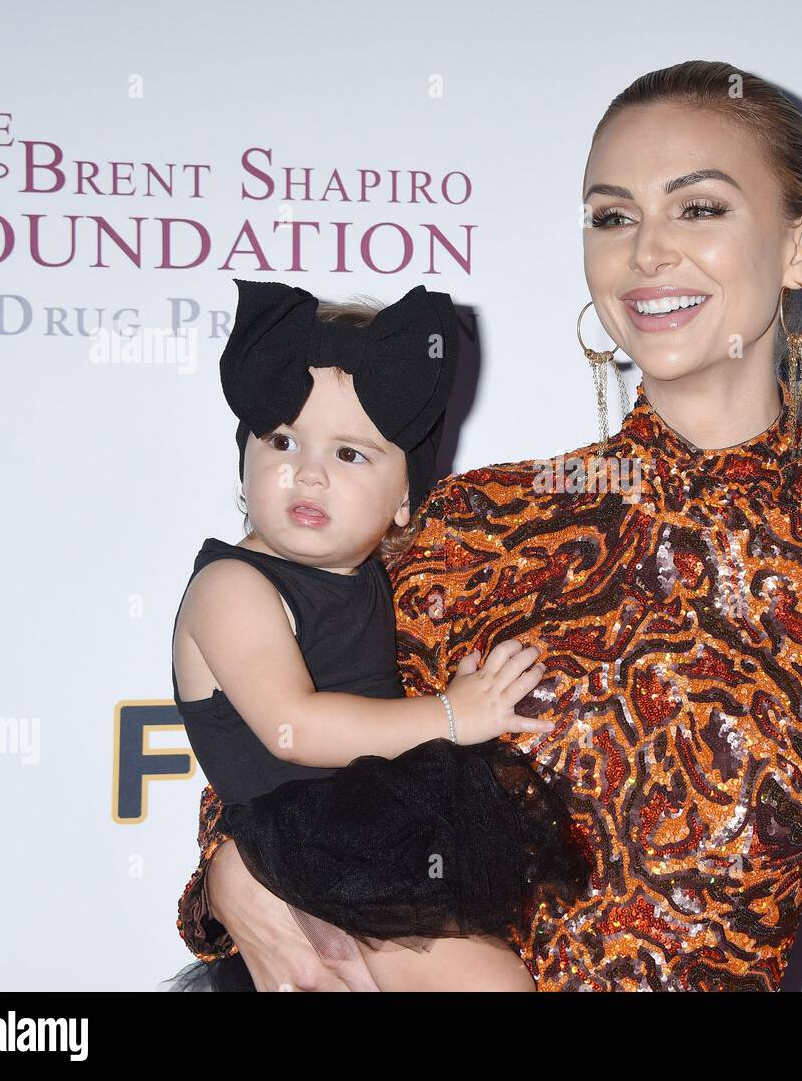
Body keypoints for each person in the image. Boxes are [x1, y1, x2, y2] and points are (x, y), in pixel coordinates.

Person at [177, 59, 802, 991]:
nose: (647, 252)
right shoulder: (475, 529)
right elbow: (277, 764)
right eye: (613, 216)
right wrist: (231, 872)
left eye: (699, 209)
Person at [161, 278, 591, 992]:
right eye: (281, 440)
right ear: (244, 459)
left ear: (403, 501)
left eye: (350, 454)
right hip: (300, 852)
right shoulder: (231, 587)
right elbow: (292, 726)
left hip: (363, 837)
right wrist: (452, 716)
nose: (306, 471)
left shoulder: (370, 579)